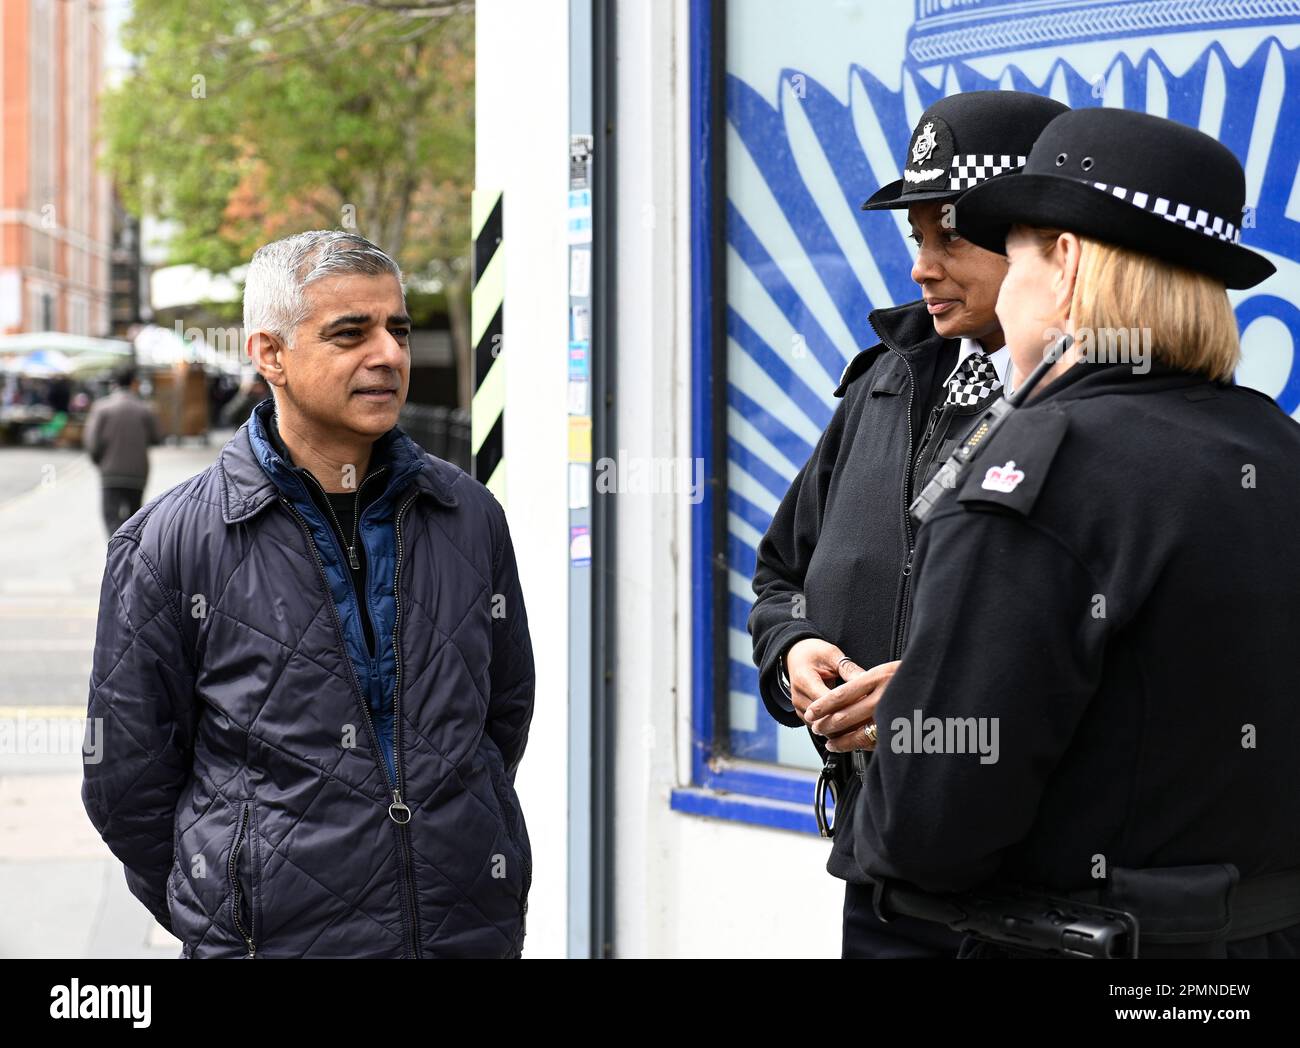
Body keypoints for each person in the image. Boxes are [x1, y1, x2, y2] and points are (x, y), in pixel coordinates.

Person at [829, 107, 1300, 957]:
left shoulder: (1038, 471)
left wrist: (929, 711)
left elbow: (928, 832)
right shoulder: (1274, 446)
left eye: (1012, 257)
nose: (1006, 290)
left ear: (1069, 259)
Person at [82, 230, 536, 958]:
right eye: (351, 333)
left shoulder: (470, 515)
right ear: (270, 355)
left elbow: (502, 715)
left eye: (398, 330)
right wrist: (234, 909)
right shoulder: (168, 543)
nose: (388, 354)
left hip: (465, 932)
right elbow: (127, 781)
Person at [749, 90, 1068, 958]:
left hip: (1039, 894)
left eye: (950, 238)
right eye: (915, 239)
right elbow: (780, 574)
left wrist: (939, 700)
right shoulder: (879, 387)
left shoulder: (1096, 416)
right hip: (881, 871)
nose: (923, 267)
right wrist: (793, 650)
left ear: (1043, 241)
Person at [82, 366, 163, 537]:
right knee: (134, 519)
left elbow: (92, 442)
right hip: (138, 472)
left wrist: (100, 462)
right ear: (134, 383)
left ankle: (116, 553)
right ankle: (129, 553)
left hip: (110, 472)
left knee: (111, 517)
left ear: (113, 385)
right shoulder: (144, 409)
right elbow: (156, 437)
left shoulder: (102, 408)